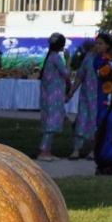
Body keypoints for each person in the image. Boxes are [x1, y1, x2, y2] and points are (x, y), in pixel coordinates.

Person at [67, 37, 106, 160]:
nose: (97, 46)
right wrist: (71, 92)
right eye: (96, 43)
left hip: (100, 98)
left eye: (100, 43)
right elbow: (80, 76)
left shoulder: (108, 60)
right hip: (85, 96)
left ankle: (93, 150)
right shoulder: (89, 57)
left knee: (96, 123)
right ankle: (76, 150)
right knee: (81, 121)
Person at [38, 33, 71, 161]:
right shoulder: (56, 58)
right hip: (54, 95)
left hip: (49, 95)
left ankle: (47, 151)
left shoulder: (50, 57)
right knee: (51, 125)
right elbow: (66, 73)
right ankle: (43, 151)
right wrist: (68, 60)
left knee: (50, 123)